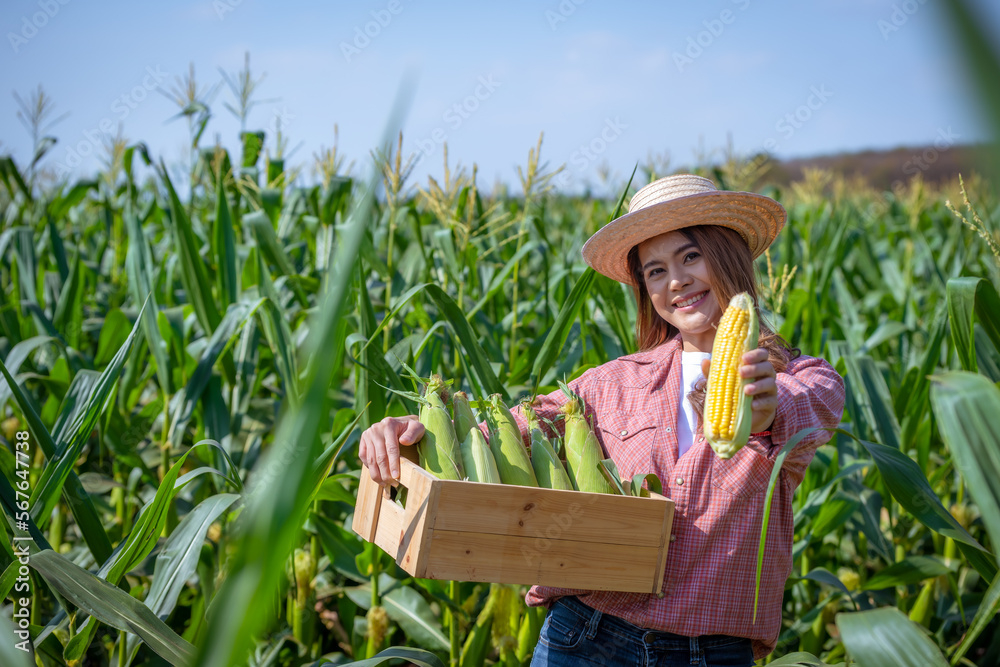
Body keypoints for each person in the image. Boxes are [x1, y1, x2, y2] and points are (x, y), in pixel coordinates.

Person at [358, 173, 846, 666]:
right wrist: (406, 436)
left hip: (710, 654)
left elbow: (803, 411)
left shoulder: (801, 380)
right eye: (655, 271)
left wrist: (760, 412)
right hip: (586, 638)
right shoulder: (613, 383)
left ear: (730, 257)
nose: (675, 281)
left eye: (691, 256)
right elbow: (504, 438)